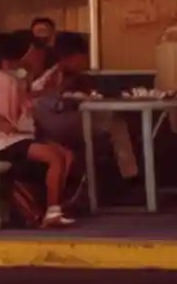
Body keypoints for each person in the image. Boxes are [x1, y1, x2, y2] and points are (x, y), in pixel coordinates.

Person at [0, 33, 77, 228]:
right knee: (55, 157)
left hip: (22, 137)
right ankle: (52, 210)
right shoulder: (3, 80)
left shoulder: (16, 79)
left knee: (66, 155)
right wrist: (9, 127)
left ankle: (51, 205)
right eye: (33, 53)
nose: (38, 57)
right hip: (9, 142)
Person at [31, 32, 141, 191]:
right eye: (83, 57)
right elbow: (43, 99)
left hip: (62, 122)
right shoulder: (53, 77)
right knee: (117, 125)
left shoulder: (74, 77)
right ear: (72, 57)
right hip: (55, 125)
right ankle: (131, 177)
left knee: (116, 123)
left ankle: (127, 175)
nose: (86, 61)